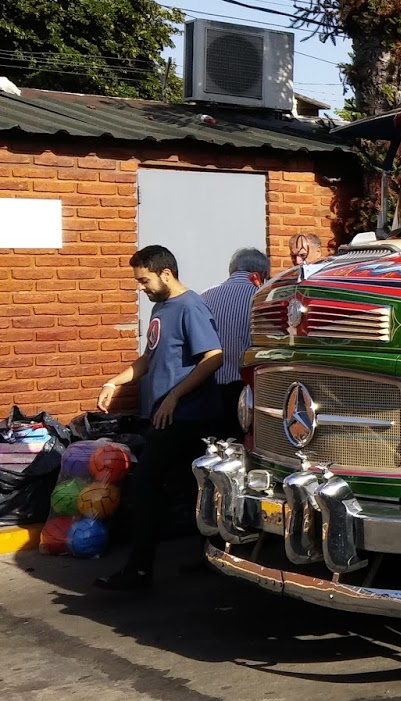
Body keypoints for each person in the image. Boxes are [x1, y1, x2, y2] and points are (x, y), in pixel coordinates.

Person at [93, 245, 224, 592]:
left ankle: (139, 571)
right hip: (168, 415)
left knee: (146, 485)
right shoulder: (162, 309)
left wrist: (175, 396)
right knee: (190, 487)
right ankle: (213, 555)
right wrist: (114, 382)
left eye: (144, 280)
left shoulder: (190, 306)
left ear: (166, 274)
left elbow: (213, 357)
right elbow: (149, 360)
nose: (141, 287)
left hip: (188, 416)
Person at [202, 247, 269, 439]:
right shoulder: (262, 297)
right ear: (261, 274)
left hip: (210, 388)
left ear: (232, 270)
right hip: (247, 392)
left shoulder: (205, 296)